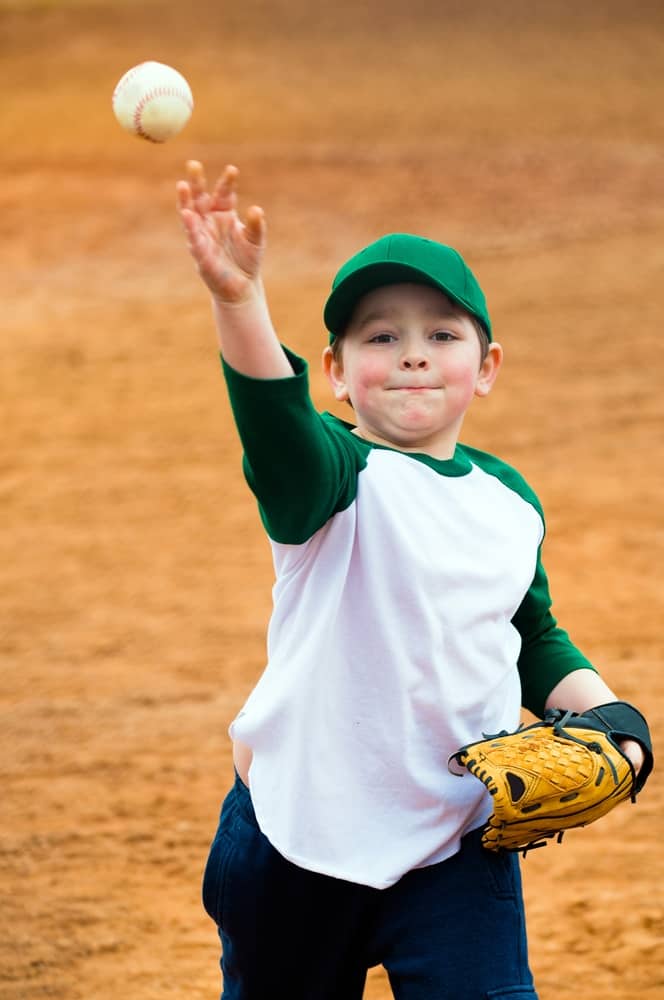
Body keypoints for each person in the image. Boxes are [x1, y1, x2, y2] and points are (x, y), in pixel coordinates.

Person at [175, 160, 648, 1000]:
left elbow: (527, 633)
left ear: (487, 364)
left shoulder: (510, 500)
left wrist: (610, 714)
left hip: (455, 841)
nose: (413, 357)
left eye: (441, 335)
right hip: (298, 837)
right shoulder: (332, 475)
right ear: (337, 370)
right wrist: (238, 301)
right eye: (381, 337)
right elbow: (275, 429)